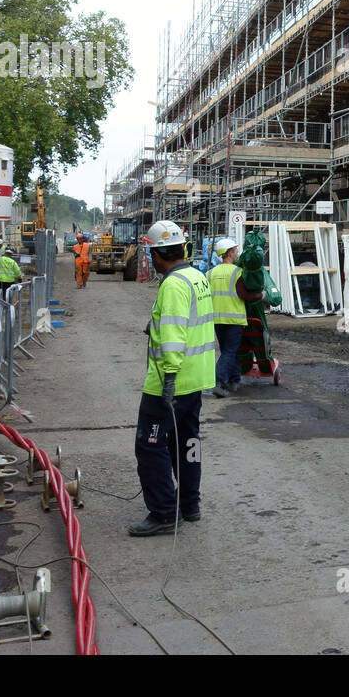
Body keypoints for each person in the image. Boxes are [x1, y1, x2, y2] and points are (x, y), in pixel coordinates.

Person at [130, 220, 216, 536]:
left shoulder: (172, 285)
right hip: (195, 379)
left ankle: (165, 512)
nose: (150, 260)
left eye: (151, 254)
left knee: (150, 445)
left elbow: (175, 335)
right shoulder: (197, 277)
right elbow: (192, 325)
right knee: (187, 441)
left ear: (158, 254)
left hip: (171, 380)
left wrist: (168, 378)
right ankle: (190, 504)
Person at [207, 238, 265, 395]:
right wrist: (261, 295)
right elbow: (244, 294)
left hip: (217, 319)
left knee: (228, 350)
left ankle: (234, 381)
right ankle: (219, 382)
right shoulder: (237, 272)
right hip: (234, 319)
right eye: (236, 251)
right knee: (230, 351)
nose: (237, 253)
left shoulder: (210, 273)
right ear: (230, 253)